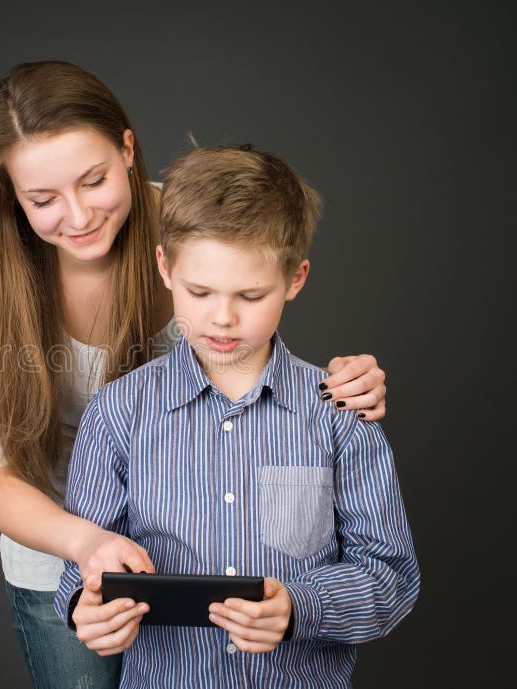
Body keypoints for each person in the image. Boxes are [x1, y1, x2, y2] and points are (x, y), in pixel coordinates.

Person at [0, 61, 389, 689]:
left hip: (200, 556)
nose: (78, 216)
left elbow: (251, 333)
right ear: (12, 197)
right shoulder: (1, 289)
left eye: (95, 180)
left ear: (128, 149)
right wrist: (84, 548)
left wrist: (345, 382)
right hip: (61, 554)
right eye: (43, 199)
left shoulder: (192, 225)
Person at [55, 144, 419, 688]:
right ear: (165, 268)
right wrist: (85, 610)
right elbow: (77, 573)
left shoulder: (340, 414)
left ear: (295, 279)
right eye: (200, 291)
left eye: (251, 294)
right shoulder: (118, 413)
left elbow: (391, 578)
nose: (222, 318)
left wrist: (300, 606)